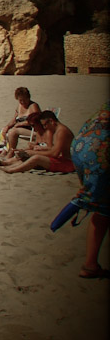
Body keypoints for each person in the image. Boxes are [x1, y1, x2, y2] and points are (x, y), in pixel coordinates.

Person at [69, 103, 109, 278]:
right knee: (104, 207)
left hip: (80, 145)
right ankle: (90, 265)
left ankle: (90, 265)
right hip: (102, 149)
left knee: (101, 206)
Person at [0, 110, 74, 174]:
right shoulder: (58, 130)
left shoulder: (61, 131)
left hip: (67, 163)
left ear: (51, 121)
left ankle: (10, 170)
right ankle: (8, 165)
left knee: (36, 158)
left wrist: (33, 152)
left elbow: (55, 153)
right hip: (62, 160)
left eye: (45, 125)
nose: (45, 127)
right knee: (28, 155)